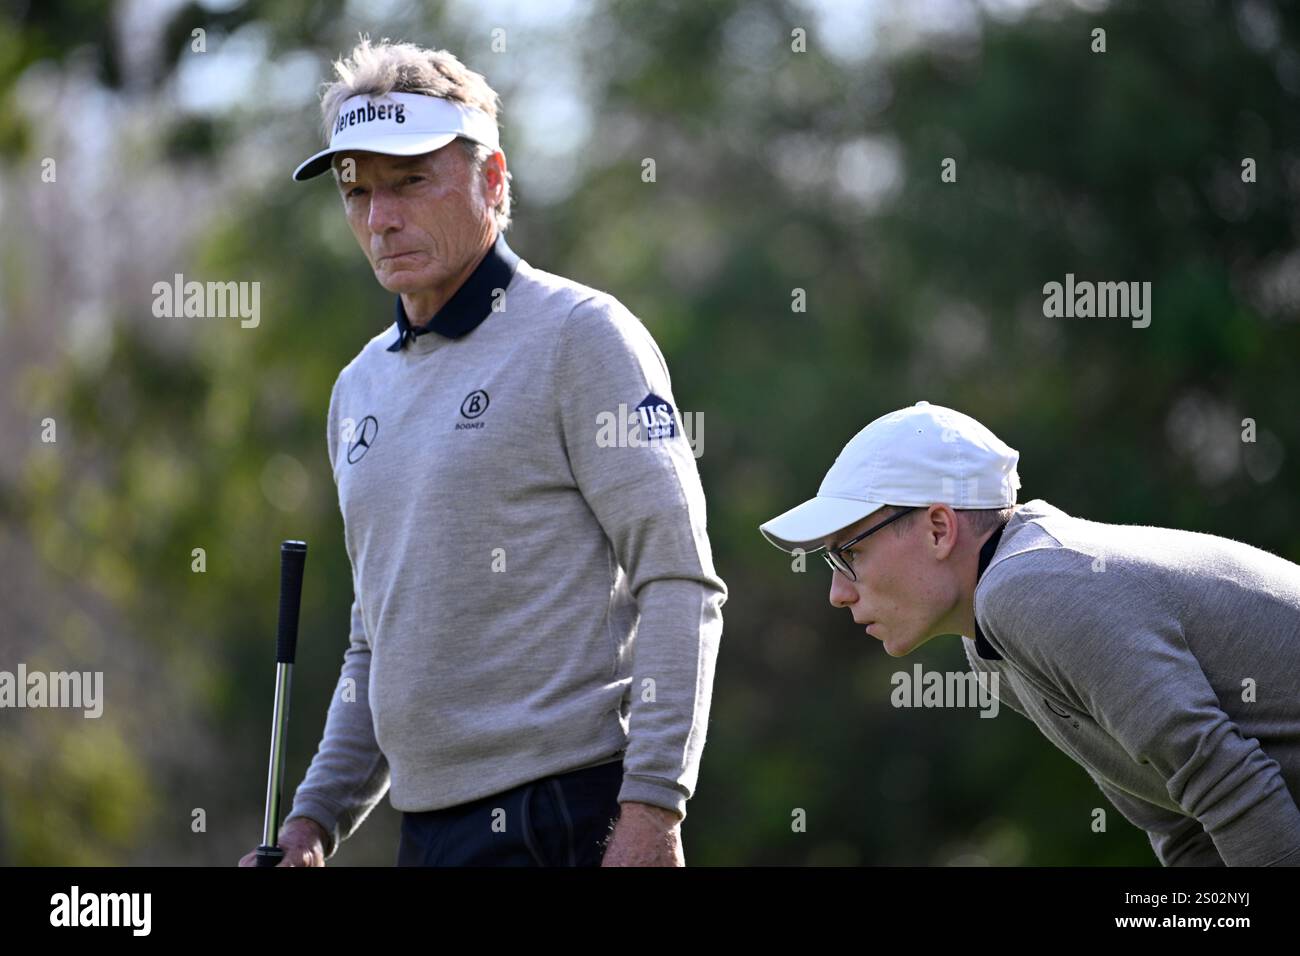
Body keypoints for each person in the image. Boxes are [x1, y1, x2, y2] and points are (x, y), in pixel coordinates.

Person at [240, 37, 725, 867]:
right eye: (357, 192)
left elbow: (678, 580)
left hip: (566, 820)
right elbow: (376, 638)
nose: (379, 218)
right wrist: (313, 822)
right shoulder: (357, 388)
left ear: (491, 180)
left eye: (409, 183)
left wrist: (652, 809)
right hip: (424, 832)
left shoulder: (583, 336)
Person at [758, 400, 1300, 866]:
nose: (837, 592)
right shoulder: (990, 643)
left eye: (849, 553)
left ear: (939, 528)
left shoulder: (1027, 587)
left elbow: (1228, 783)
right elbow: (1182, 828)